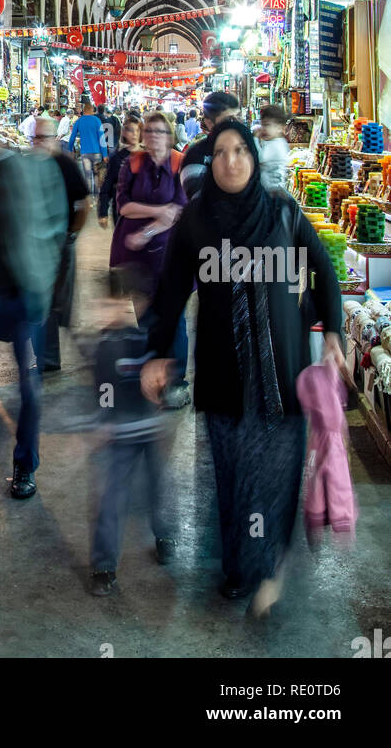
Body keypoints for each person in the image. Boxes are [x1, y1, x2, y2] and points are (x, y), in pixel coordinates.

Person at [142, 119, 344, 616]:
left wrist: (333, 331)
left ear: (254, 159)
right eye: (222, 152)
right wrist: (158, 353)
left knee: (275, 475)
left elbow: (321, 267)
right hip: (225, 371)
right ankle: (238, 567)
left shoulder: (282, 211)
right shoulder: (196, 220)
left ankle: (270, 564)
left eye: (241, 151)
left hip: (281, 370)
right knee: (231, 475)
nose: (232, 161)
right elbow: (170, 291)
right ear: (213, 163)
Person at [0, 116, 67, 499]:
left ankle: (24, 465)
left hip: (24, 297)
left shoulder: (29, 171)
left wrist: (42, 277)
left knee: (29, 387)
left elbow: (56, 225)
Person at [90, 271, 176, 595]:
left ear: (138, 304)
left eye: (120, 303)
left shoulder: (153, 336)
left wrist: (165, 394)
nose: (109, 311)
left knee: (159, 488)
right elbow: (102, 389)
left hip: (151, 430)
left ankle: (165, 533)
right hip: (120, 436)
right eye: (105, 304)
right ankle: (104, 565)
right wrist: (103, 421)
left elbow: (169, 374)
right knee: (112, 499)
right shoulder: (104, 345)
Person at [110, 112, 189, 408]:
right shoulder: (131, 163)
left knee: (175, 317)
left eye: (160, 131)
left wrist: (151, 228)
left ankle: (176, 382)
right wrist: (156, 213)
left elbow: (179, 209)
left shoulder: (180, 163)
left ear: (170, 135)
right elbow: (123, 205)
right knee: (141, 314)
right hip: (134, 250)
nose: (154, 136)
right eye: (150, 131)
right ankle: (145, 379)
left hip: (171, 251)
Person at [29, 115, 90, 372]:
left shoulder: (66, 164)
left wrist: (72, 234)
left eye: (42, 138)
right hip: (34, 243)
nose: (37, 143)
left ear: (54, 139)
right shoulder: (28, 165)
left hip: (60, 241)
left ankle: (53, 356)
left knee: (55, 301)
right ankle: (47, 356)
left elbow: (83, 204)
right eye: (34, 138)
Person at [179, 91, 240, 202]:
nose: (235, 125)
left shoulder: (245, 149)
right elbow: (200, 198)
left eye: (238, 119)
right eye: (229, 120)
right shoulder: (196, 155)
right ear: (209, 123)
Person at [98, 115, 142, 227]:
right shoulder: (117, 158)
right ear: (125, 133)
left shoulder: (149, 157)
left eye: (138, 130)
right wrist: (103, 212)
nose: (135, 134)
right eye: (131, 130)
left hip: (143, 211)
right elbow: (107, 186)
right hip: (121, 210)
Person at [69, 97, 108, 193]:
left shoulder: (79, 121)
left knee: (87, 176)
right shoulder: (97, 121)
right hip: (97, 153)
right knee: (96, 175)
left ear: (83, 110)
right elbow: (102, 139)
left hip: (85, 153)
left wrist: (70, 150)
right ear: (92, 110)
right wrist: (105, 154)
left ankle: (90, 199)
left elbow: (72, 137)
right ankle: (96, 198)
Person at [256, 104, 290, 192]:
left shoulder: (277, 145)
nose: (263, 129)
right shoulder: (273, 142)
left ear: (280, 128)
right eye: (262, 125)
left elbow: (259, 158)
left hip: (273, 190)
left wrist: (255, 139)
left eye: (267, 125)